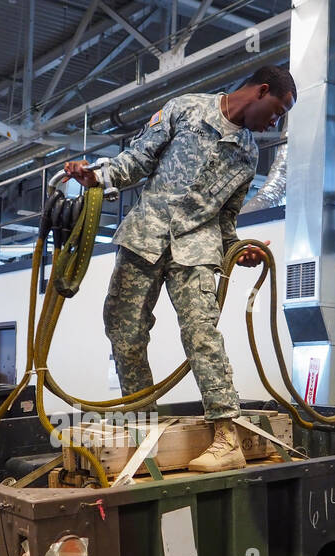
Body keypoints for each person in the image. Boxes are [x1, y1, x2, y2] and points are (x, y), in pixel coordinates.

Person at [63, 65, 295, 473]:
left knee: (200, 330)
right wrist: (96, 175)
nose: (276, 121)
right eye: (278, 109)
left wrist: (238, 249)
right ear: (261, 91)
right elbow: (136, 160)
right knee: (124, 327)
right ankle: (141, 425)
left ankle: (227, 435)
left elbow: (227, 221)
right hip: (145, 235)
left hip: (197, 248)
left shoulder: (248, 155)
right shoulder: (186, 110)